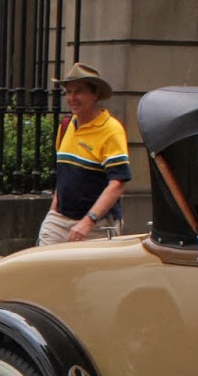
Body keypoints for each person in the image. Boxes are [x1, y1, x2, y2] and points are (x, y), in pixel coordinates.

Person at [38, 63, 131, 246]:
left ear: (94, 94)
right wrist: (53, 211)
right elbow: (64, 175)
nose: (72, 98)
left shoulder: (111, 130)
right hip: (59, 220)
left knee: (89, 275)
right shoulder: (66, 126)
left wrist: (88, 222)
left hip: (97, 225)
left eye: (79, 91)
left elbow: (117, 184)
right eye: (68, 92)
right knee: (44, 271)